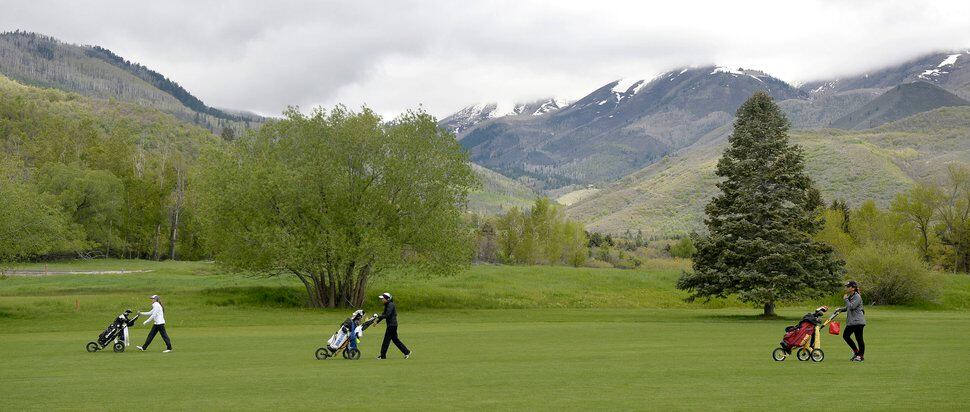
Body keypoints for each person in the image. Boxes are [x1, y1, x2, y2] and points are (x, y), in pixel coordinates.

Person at [374, 292, 411, 360]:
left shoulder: (390, 305)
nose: (382, 299)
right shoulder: (387, 305)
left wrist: (377, 316)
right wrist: (377, 321)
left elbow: (387, 315)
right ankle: (407, 352)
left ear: (387, 299)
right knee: (395, 340)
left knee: (386, 341)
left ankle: (383, 356)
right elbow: (384, 314)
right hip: (392, 325)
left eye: (383, 298)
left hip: (392, 325)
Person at [839, 280, 866, 362]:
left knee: (859, 339)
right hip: (852, 322)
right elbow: (848, 308)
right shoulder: (851, 296)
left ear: (853, 288)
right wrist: (840, 309)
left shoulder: (857, 296)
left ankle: (860, 356)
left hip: (858, 321)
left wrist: (846, 299)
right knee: (846, 336)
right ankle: (856, 352)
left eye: (848, 287)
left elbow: (852, 307)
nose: (846, 288)